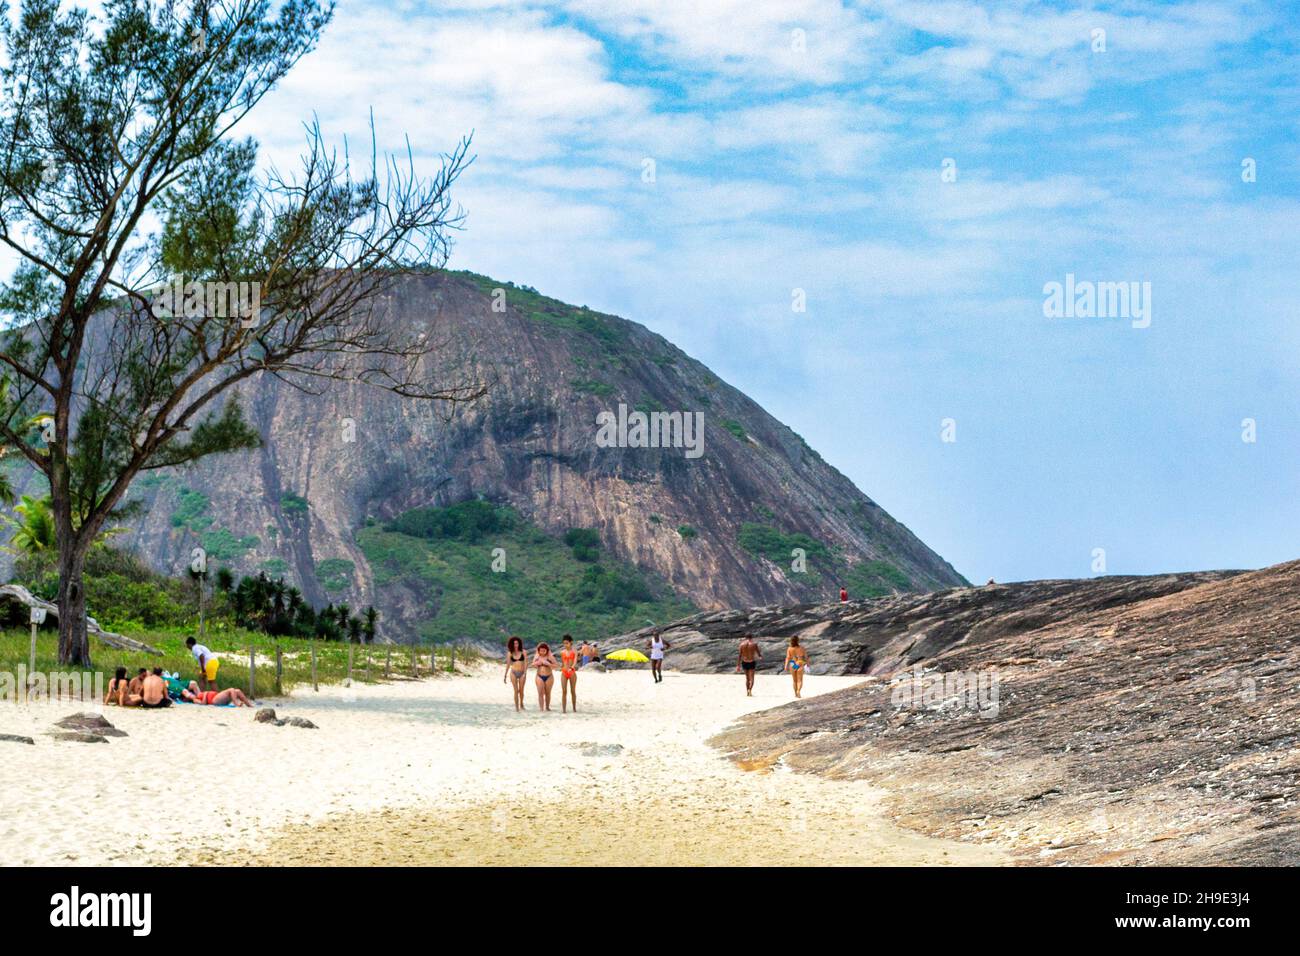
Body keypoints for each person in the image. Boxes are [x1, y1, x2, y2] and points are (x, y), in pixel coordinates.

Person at [179, 680, 253, 707]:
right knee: (231, 689)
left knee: (237, 691)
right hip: (214, 700)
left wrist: (205, 693)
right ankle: (236, 703)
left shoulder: (197, 694)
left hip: (217, 696)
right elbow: (203, 704)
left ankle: (249, 705)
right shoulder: (194, 699)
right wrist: (205, 695)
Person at [503, 636, 528, 712]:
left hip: (522, 672)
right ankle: (517, 708)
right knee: (515, 690)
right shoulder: (510, 653)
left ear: (519, 644)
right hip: (513, 672)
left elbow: (526, 662)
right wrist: (505, 675)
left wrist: (525, 673)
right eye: (514, 643)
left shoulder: (523, 652)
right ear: (511, 644)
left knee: (521, 690)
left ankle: (521, 704)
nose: (515, 645)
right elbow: (508, 664)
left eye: (517, 643)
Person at [532, 642, 558, 711]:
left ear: (547, 650)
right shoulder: (537, 656)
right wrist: (537, 663)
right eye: (541, 651)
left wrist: (549, 664)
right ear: (539, 650)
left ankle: (547, 707)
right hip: (539, 676)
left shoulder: (550, 657)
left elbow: (556, 666)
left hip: (549, 676)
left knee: (548, 693)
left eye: (544, 651)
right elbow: (533, 665)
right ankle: (541, 708)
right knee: (540, 692)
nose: (542, 652)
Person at [559, 635, 579, 713]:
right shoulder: (562, 652)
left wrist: (572, 668)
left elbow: (575, 661)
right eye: (564, 643)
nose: (565, 645)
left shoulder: (574, 651)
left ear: (571, 643)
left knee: (572, 691)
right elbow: (563, 663)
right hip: (564, 672)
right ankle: (564, 709)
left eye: (567, 643)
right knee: (564, 691)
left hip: (572, 672)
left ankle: (574, 708)